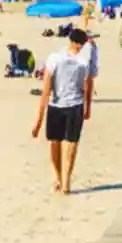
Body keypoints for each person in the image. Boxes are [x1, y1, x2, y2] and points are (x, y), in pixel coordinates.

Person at [31, 29, 93, 195]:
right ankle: (61, 178)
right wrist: (88, 108)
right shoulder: (58, 59)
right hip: (64, 105)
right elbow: (47, 89)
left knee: (62, 143)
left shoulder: (79, 61)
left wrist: (38, 121)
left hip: (69, 105)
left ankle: (64, 180)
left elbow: (46, 90)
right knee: (63, 143)